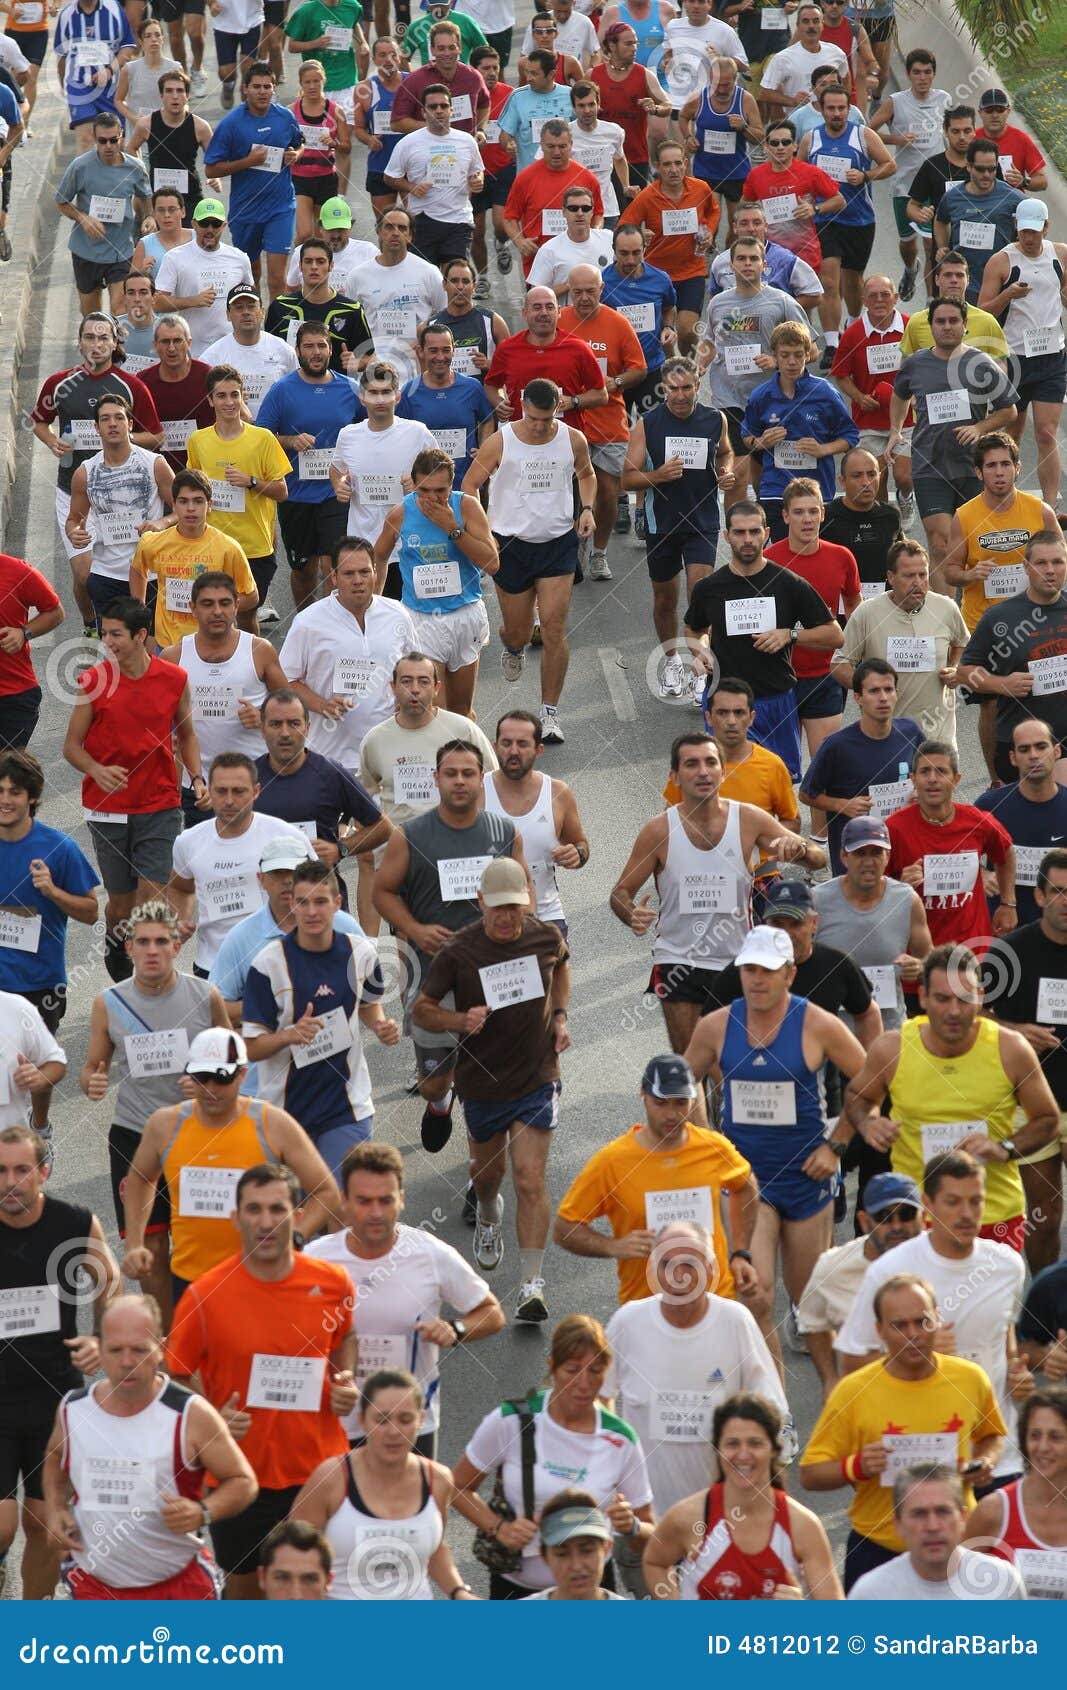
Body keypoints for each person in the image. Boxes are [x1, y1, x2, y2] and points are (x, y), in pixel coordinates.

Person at [165, 1164, 355, 1599]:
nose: (266, 1221)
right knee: (246, 1594)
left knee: (315, 1590)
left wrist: (345, 1379)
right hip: (240, 1475)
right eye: (254, 1209)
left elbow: (346, 1337)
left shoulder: (332, 1283)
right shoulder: (204, 1294)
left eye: (277, 1209)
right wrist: (212, 1420)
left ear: (298, 1215)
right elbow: (175, 1375)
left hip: (318, 1471)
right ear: (236, 1218)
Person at [687, 923, 867, 1371]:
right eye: (749, 969)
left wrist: (836, 1146)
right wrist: (709, 1142)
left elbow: (869, 1080)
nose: (757, 979)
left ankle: (833, 1391)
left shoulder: (818, 1024)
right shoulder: (716, 1026)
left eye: (768, 970)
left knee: (811, 1305)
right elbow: (683, 1083)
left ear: (790, 974)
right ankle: (774, 1402)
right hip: (747, 1181)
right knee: (755, 1294)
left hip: (807, 1177)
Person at [411, 856, 565, 1318]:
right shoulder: (458, 951)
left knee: (530, 1178)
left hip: (537, 1075)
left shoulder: (544, 937)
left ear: (526, 902)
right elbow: (422, 1009)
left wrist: (560, 1016)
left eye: (514, 907)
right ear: (480, 902)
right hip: (481, 1082)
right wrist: (461, 1020)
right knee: (488, 1177)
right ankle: (487, 1212)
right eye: (497, 908)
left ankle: (531, 1285)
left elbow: (562, 966)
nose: (506, 917)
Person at [836, 1151, 1029, 1495]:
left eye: (975, 1201)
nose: (966, 1213)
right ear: (928, 1205)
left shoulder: (1008, 1266)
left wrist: (1017, 1372)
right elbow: (851, 1364)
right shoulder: (888, 1270)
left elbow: (1004, 1334)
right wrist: (915, 1350)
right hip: (921, 1458)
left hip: (996, 1457)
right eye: (953, 1202)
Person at [611, 732, 820, 1049]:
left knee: (734, 1061)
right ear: (674, 776)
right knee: (690, 1063)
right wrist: (630, 914)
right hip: (677, 962)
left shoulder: (748, 819)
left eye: (710, 763)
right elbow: (620, 892)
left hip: (738, 962)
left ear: (723, 772)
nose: (703, 772)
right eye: (691, 764)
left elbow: (817, 858)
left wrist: (800, 848)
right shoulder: (659, 830)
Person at [800, 1272, 1008, 1590]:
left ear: (937, 1320)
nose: (913, 1334)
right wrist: (856, 1466)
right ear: (880, 1331)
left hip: (957, 1548)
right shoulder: (853, 1391)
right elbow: (810, 1474)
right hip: (878, 1549)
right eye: (899, 1325)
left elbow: (991, 1434)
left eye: (922, 1322)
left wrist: (984, 1462)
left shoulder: (970, 1379)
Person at [844, 943, 1058, 1251]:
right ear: (923, 997)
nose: (954, 1011)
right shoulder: (893, 1047)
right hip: (917, 1216)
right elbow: (858, 1096)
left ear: (980, 997)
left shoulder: (1010, 1048)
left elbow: (1047, 1119)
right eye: (942, 999)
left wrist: (1004, 1148)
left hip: (993, 1214)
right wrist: (868, 1123)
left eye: (964, 999)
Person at [44, 1292, 256, 1601]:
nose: (126, 1362)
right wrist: (55, 1508)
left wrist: (203, 1512)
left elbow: (243, 1481)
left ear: (162, 1350)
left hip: (178, 1589)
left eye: (139, 1350)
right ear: (99, 1349)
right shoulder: (73, 1409)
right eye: (115, 1350)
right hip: (94, 1588)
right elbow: (55, 1456)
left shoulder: (190, 1414)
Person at [82, 899, 228, 1321]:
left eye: (161, 942)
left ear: (177, 946)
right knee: (151, 1248)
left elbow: (234, 1060)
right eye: (142, 942)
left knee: (202, 1243)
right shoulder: (109, 1002)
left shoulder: (205, 995)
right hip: (135, 1133)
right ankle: (169, 1341)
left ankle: (208, 1326)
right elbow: (92, 1068)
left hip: (197, 1133)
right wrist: (92, 1082)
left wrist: (209, 1084)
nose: (152, 951)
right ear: (128, 947)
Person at [305, 1141, 503, 1452]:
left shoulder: (429, 1253)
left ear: (402, 1199)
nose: (375, 1213)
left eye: (386, 1200)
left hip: (409, 1424)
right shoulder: (315, 1258)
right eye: (364, 1201)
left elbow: (491, 1312)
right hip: (335, 1423)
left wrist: (456, 1329)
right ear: (344, 1201)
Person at [121, 1023, 342, 1299]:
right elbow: (140, 1177)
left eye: (222, 1078)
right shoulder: (164, 1125)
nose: (211, 1089)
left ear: (243, 1074)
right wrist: (134, 1242)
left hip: (260, 1280)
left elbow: (326, 1191)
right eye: (202, 1078)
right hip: (191, 1280)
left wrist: (294, 1238)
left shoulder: (272, 1124)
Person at [372, 737, 520, 1141]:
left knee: (491, 1072)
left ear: (481, 779)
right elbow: (382, 892)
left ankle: (483, 1149)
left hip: (492, 973)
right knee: (433, 1081)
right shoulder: (410, 836)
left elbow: (523, 895)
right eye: (451, 773)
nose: (459, 781)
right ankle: (441, 1101)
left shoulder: (504, 832)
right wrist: (416, 930)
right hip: (433, 975)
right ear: (435, 778)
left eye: (468, 773)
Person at [453, 1314, 654, 1598]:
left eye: (595, 1371)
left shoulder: (620, 1439)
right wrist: (499, 1529)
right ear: (552, 1366)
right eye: (572, 1370)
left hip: (591, 1593)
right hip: (517, 1589)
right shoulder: (512, 1420)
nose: (584, 1384)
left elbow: (649, 1533)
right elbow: (457, 1487)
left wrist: (631, 1526)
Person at [0, 1126, 118, 1599]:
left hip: (54, 1394)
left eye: (22, 1170)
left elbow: (109, 1281)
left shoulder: (75, 1223)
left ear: (44, 1172)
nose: (11, 1182)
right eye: (1, 1171)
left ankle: (29, 1625)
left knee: (46, 1525)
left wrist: (100, 1340)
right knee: (2, 1526)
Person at [603, 1224, 784, 1523]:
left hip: (724, 1519)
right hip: (644, 1520)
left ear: (710, 1269)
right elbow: (598, 1397)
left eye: (689, 1263)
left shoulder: (735, 1321)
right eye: (667, 1264)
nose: (678, 1275)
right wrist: (613, 1459)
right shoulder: (628, 1322)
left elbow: (772, 1409)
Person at [61, 597, 201, 983]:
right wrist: (96, 769)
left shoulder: (174, 679)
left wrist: (197, 777)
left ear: (141, 636)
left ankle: (148, 983)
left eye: (115, 634)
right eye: (104, 633)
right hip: (108, 807)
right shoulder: (94, 681)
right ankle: (115, 936)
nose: (107, 641)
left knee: (151, 902)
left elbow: (187, 735)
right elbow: (71, 746)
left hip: (160, 803)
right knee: (122, 907)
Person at [554, 1052, 759, 1309]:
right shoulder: (613, 1162)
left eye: (681, 1103)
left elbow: (746, 1186)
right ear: (643, 1095)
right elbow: (564, 1228)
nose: (672, 1114)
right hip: (647, 1309)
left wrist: (740, 1251)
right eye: (661, 1103)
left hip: (714, 1302)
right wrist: (612, 1246)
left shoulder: (713, 1148)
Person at [463, 375, 597, 746]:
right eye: (533, 418)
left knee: (553, 628)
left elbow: (586, 474)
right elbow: (470, 485)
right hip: (510, 544)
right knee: (518, 631)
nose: (539, 426)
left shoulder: (572, 438)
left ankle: (549, 714)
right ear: (522, 407)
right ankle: (513, 647)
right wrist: (483, 531)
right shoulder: (500, 440)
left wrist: (587, 508)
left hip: (557, 543)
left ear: (558, 408)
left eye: (547, 419)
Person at [242, 859, 398, 1177]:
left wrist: (380, 1025)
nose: (312, 912)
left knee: (338, 1202)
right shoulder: (267, 965)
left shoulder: (362, 954)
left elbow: (368, 1004)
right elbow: (251, 1048)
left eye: (321, 902)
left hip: (347, 1108)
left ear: (337, 903)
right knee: (296, 1207)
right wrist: (289, 1035)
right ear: (292, 905)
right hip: (285, 1114)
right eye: (303, 902)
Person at [275, 541, 415, 880]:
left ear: (376, 572)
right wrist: (321, 705)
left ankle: (381, 916)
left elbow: (413, 670)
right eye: (349, 573)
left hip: (383, 755)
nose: (358, 580)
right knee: (320, 858)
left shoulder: (398, 614)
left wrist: (408, 701)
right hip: (329, 758)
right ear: (334, 577)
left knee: (378, 855)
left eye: (365, 572)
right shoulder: (309, 622)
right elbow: (285, 681)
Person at [683, 499, 844, 781]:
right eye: (739, 532)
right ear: (727, 536)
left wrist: (790, 634)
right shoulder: (709, 588)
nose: (747, 539)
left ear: (766, 533)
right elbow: (694, 628)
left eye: (754, 532)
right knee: (732, 785)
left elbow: (834, 635)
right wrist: (701, 650)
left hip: (775, 700)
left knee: (777, 785)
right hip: (725, 703)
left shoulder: (789, 583)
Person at [31, 313, 161, 638]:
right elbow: (39, 421)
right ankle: (91, 622)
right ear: (79, 343)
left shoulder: (131, 386)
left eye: (104, 338)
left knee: (118, 571)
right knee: (84, 573)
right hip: (72, 488)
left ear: (115, 343)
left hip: (119, 492)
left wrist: (119, 437)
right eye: (90, 337)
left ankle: (121, 631)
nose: (96, 344)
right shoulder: (59, 384)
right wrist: (52, 441)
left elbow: (156, 436)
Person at [290, 1369, 472, 1600]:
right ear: (362, 1421)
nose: (393, 1431)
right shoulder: (330, 1478)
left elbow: (435, 1550)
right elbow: (291, 1559)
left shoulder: (438, 1478)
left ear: (421, 1420)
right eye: (382, 1420)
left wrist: (459, 1592)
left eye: (405, 1419)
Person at [645, 1393, 842, 1600]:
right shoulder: (689, 1516)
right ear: (718, 1449)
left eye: (755, 1443)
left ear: (775, 1450)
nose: (743, 1455)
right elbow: (654, 1562)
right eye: (732, 1444)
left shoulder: (803, 1526)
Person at [942, 434, 1053, 788]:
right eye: (991, 466)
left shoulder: (1040, 512)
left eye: (1006, 464)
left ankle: (1046, 773)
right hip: (985, 627)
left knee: (1042, 694)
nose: (999, 472)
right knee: (991, 704)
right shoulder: (965, 516)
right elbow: (949, 571)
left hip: (1035, 621)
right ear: (979, 472)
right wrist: (970, 574)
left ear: (1018, 468)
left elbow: (1059, 561)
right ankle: (997, 780)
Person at [890, 297, 1019, 587]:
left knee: (976, 542)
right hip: (929, 464)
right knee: (939, 542)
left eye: (953, 321)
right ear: (931, 326)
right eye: (940, 321)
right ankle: (947, 610)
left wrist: (979, 427)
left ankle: (972, 604)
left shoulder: (980, 363)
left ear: (965, 325)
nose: (947, 327)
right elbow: (899, 395)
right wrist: (895, 430)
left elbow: (1008, 410)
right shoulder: (915, 364)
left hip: (972, 467)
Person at [0, 747, 97, 1131]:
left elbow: (91, 912)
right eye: (0, 791)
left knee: (37, 1068)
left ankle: (40, 1126)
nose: (5, 799)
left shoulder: (59, 849)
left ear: (33, 796)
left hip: (39, 982)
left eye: (15, 792)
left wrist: (53, 892)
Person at [981, 848, 1067, 1274]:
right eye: (1058, 891)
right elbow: (975, 1015)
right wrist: (1015, 1031)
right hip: (1030, 1101)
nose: (1066, 901)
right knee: (1044, 1217)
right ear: (1039, 896)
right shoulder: (1010, 951)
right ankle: (1043, 1301)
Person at [375, 448, 497, 719]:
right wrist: (374, 605)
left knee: (461, 711)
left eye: (440, 491)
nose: (432, 498)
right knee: (434, 712)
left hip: (464, 615)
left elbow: (492, 563)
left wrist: (453, 529)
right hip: (421, 620)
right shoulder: (400, 514)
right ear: (414, 484)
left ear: (451, 484)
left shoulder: (467, 507)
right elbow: (379, 557)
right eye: (424, 490)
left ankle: (468, 746)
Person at [697, 234, 810, 524]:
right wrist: (698, 367)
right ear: (731, 265)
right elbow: (709, 342)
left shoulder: (782, 302)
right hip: (729, 400)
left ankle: (767, 531)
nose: (747, 264)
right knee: (736, 475)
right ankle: (737, 534)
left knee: (766, 479)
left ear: (764, 264)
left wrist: (777, 361)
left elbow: (812, 349)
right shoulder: (718, 304)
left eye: (753, 259)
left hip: (771, 400)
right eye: (741, 259)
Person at [168, 751, 312, 974]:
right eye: (221, 791)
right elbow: (180, 887)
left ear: (256, 791)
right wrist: (180, 920)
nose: (229, 800)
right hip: (212, 966)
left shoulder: (286, 837)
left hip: (277, 966)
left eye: (238, 791)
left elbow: (318, 891)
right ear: (209, 791)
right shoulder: (188, 842)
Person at [158, 572, 283, 825]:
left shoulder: (259, 651)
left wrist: (263, 718)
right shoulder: (173, 657)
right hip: (200, 787)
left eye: (224, 603)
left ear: (237, 606)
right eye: (207, 604)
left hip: (257, 783)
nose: (217, 611)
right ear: (192, 608)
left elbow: (292, 710)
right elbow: (156, 722)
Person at [661, 681, 801, 900]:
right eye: (722, 713)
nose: (731, 721)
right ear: (709, 717)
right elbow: (669, 824)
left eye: (739, 713)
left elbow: (791, 821)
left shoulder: (772, 765)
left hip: (760, 878)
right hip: (704, 882)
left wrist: (758, 838)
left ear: (751, 717)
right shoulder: (690, 765)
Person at [210, 832, 366, 1027]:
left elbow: (371, 986)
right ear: (261, 879)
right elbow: (215, 1007)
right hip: (270, 1044)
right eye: (276, 873)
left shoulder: (344, 925)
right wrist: (278, 1004)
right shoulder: (240, 937)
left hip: (338, 1044)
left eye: (294, 872)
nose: (286, 880)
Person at [797, 1170, 924, 1400]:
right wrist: (830, 1379)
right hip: (868, 1397)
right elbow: (812, 1323)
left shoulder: (943, 1259)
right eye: (884, 1217)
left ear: (923, 1217)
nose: (897, 1226)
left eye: (906, 1214)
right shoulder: (832, 1268)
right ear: (864, 1221)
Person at [884, 742, 1016, 964]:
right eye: (925, 771)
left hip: (973, 952)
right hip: (919, 958)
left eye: (941, 771)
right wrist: (899, 886)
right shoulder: (894, 828)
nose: (932, 779)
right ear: (913, 779)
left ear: (956, 779)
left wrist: (1007, 903)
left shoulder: (977, 821)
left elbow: (1007, 850)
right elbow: (874, 893)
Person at [832, 537, 967, 748]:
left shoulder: (946, 608)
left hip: (938, 740)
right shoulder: (868, 612)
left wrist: (955, 667)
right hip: (885, 739)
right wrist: (870, 689)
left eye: (922, 575)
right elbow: (839, 664)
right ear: (891, 577)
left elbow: (962, 643)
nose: (918, 583)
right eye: (909, 576)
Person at [959, 530, 1067, 787]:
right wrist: (1002, 684)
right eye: (1041, 563)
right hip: (1021, 744)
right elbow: (964, 672)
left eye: (1057, 562)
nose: (1050, 570)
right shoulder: (1000, 617)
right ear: (1026, 567)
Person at [557, 264, 645, 578]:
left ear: (602, 289)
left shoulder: (617, 323)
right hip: (567, 422)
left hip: (608, 423)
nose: (583, 298)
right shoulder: (558, 320)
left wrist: (616, 382)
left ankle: (599, 553)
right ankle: (571, 551)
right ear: (568, 291)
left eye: (590, 291)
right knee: (568, 494)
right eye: (577, 292)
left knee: (607, 493)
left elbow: (639, 369)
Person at [978, 199, 1067, 508]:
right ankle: (1006, 499)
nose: (1029, 238)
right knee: (1012, 432)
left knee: (1046, 432)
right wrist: (1008, 294)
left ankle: (1050, 506)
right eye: (1024, 231)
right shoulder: (1001, 261)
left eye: (1035, 232)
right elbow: (983, 311)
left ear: (1046, 228)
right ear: (1016, 226)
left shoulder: (1060, 254)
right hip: (1014, 358)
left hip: (1052, 356)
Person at [764, 477, 859, 765]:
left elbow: (854, 607)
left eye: (813, 511)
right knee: (780, 771)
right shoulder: (768, 560)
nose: (807, 519)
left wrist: (855, 654)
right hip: (779, 678)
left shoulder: (842, 557)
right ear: (785, 516)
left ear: (822, 514)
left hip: (826, 676)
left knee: (825, 770)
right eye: (798, 512)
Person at [800, 657, 924, 873]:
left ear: (896, 693)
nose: (883, 698)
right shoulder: (837, 745)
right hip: (856, 859)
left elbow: (928, 773)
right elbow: (806, 794)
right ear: (858, 697)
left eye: (888, 689)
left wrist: (920, 792)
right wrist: (842, 805)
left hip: (901, 848)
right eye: (874, 691)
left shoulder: (911, 731)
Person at [813, 814, 932, 1037]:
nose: (868, 862)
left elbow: (929, 961)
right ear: (843, 856)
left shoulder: (907, 899)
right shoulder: (817, 901)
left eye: (876, 852)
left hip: (890, 1034)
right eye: (860, 853)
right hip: (833, 1037)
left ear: (888, 856)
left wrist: (919, 967)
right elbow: (796, 961)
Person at [740, 318, 859, 542]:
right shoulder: (761, 395)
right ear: (774, 356)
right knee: (782, 556)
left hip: (817, 491)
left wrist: (823, 449)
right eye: (785, 355)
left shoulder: (824, 392)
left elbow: (850, 435)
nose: (792, 362)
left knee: (814, 553)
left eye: (798, 355)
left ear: (807, 355)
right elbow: (747, 435)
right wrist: (760, 442)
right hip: (775, 491)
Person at [254, 687, 390, 882]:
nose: (285, 733)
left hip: (321, 895)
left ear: (307, 728)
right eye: (276, 724)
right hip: (264, 894)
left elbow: (383, 827)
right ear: (262, 729)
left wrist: (341, 849)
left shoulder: (330, 773)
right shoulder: (247, 778)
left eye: (294, 724)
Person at [65, 393, 173, 633]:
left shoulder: (155, 463)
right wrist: (74, 533)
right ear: (96, 427)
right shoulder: (85, 472)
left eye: (119, 418)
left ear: (130, 424)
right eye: (105, 419)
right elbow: (74, 519)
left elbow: (182, 509)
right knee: (117, 647)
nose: (112, 424)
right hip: (107, 574)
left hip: (152, 573)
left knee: (151, 644)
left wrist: (162, 522)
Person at [847, 1462, 1025, 1600]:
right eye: (919, 1514)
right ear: (898, 1525)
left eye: (943, 1511)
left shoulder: (1004, 1582)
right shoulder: (870, 1594)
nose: (932, 1526)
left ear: (963, 1518)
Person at [329, 361, 437, 583]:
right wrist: (338, 485)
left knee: (405, 604)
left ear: (397, 396)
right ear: (362, 398)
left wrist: (420, 485)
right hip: (363, 545)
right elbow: (336, 468)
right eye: (373, 393)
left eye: (386, 392)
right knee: (369, 604)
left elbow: (442, 474)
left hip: (409, 544)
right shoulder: (348, 435)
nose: (380, 400)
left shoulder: (417, 432)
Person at [204, 62, 303, 298]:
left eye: (267, 87)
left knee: (277, 278)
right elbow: (210, 170)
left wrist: (295, 155)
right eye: (256, 87)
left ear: (274, 89)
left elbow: (299, 144)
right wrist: (248, 162)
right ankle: (256, 318)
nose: (262, 92)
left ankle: (276, 321)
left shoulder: (285, 117)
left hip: (281, 206)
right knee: (251, 276)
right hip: (246, 210)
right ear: (245, 88)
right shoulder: (231, 123)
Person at [359, 652, 496, 823]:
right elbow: (361, 800)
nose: (415, 689)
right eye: (406, 681)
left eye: (423, 682)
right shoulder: (375, 740)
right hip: (398, 837)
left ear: (436, 688)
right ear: (393, 687)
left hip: (455, 835)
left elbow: (493, 785)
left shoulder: (464, 730)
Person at [484, 709, 588, 933]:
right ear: (495, 747)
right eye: (506, 743)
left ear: (539, 750)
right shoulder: (477, 792)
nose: (513, 751)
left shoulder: (558, 793)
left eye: (522, 744)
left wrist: (576, 854)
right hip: (488, 919)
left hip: (546, 916)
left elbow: (581, 845)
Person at [130, 467, 259, 646]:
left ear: (209, 504)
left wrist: (216, 609)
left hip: (214, 644)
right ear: (174, 505)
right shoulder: (152, 542)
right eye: (183, 501)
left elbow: (251, 597)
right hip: (168, 645)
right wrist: (139, 609)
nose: (191, 508)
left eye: (198, 501)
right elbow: (137, 570)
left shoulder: (228, 548)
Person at [616, 140, 718, 353]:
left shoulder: (700, 189)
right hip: (657, 275)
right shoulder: (648, 196)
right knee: (663, 335)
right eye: (667, 164)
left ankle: (686, 366)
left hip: (692, 271)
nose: (673, 169)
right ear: (657, 167)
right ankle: (670, 366)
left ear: (685, 163)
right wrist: (639, 235)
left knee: (687, 330)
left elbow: (713, 210)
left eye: (678, 163)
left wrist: (709, 231)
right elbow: (623, 227)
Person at [968, 1387, 1067, 1598]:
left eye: (1056, 1437)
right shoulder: (993, 1511)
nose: (1043, 1447)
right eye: (1035, 1436)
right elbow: (950, 1591)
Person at [869, 47, 951, 301]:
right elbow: (868, 131)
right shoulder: (896, 101)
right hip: (905, 184)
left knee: (931, 244)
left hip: (935, 184)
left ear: (934, 74)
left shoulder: (944, 99)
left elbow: (953, 132)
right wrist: (897, 139)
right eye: (917, 72)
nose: (922, 78)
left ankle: (931, 302)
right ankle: (909, 267)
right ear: (908, 74)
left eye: (927, 72)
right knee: (907, 241)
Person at [829, 272, 913, 518]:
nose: (879, 300)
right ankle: (885, 522)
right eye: (873, 295)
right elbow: (841, 375)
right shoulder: (853, 334)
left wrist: (916, 395)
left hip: (907, 420)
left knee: (904, 477)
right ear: (864, 300)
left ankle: (906, 497)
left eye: (885, 295)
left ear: (895, 298)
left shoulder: (911, 327)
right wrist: (859, 397)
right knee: (877, 479)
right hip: (868, 422)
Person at [55, 111, 152, 316]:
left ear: (121, 136)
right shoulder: (80, 166)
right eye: (102, 141)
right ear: (94, 138)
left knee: (120, 310)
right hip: (86, 251)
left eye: (113, 140)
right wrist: (83, 218)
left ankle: (117, 338)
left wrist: (149, 217)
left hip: (121, 250)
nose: (108, 146)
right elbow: (61, 202)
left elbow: (145, 196)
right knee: (92, 313)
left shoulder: (135, 167)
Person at [976, 721, 1067, 929]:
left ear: (1056, 752)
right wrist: (981, 875)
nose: (1034, 755)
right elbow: (957, 851)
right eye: (1024, 749)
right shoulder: (989, 805)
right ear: (1013, 758)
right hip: (1004, 926)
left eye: (1041, 747)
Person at [385, 82, 484, 267]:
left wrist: (478, 180)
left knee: (454, 273)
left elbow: (476, 171)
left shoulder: (466, 141)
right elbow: (390, 177)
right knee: (426, 276)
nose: (439, 111)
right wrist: (412, 187)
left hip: (459, 219)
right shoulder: (408, 143)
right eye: (433, 107)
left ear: (451, 110)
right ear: (424, 112)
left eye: (444, 106)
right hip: (423, 220)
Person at [739, 116, 844, 283]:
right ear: (766, 146)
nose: (780, 147)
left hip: (804, 252)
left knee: (803, 298)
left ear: (794, 146)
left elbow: (840, 201)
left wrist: (814, 208)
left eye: (786, 142)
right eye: (774, 143)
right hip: (769, 252)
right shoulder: (756, 175)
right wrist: (754, 220)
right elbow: (744, 205)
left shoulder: (811, 173)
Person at [396, 324, 495, 493]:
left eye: (446, 350)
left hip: (466, 485)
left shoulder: (472, 387)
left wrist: (483, 448)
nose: (440, 357)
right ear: (421, 351)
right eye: (433, 351)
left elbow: (488, 420)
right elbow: (399, 435)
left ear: (453, 350)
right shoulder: (409, 392)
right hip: (426, 490)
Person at [348, 206, 448, 370]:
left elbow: (446, 316)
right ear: (379, 232)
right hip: (373, 370)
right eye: (389, 227)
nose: (395, 233)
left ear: (410, 236)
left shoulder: (430, 273)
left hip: (417, 368)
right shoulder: (357, 276)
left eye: (402, 228)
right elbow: (350, 324)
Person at [502, 119, 603, 280]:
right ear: (541, 145)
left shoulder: (587, 178)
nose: (556, 152)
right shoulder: (525, 178)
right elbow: (509, 217)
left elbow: (598, 213)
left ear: (571, 145)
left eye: (562, 146)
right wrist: (520, 241)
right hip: (539, 262)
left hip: (579, 261)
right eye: (550, 146)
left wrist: (596, 233)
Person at [153, 199, 254, 358]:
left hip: (232, 349)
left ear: (224, 226)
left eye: (215, 224)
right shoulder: (174, 258)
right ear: (194, 224)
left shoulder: (239, 258)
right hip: (193, 351)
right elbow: (157, 303)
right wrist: (192, 301)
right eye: (204, 223)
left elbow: (251, 300)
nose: (210, 229)